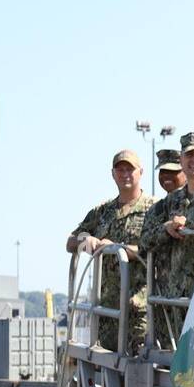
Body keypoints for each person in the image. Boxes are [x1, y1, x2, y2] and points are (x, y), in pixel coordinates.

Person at [66, 150, 153, 354]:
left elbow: (153, 248)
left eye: (130, 169)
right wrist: (85, 241)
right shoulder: (103, 211)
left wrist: (116, 249)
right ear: (113, 174)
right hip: (106, 312)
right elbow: (70, 242)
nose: (125, 174)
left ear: (141, 172)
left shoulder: (154, 209)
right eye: (120, 170)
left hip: (138, 313)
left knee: (137, 376)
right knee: (107, 378)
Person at [138, 132, 194, 345]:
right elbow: (144, 242)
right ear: (181, 159)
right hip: (172, 305)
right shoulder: (168, 204)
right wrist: (166, 229)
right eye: (190, 155)